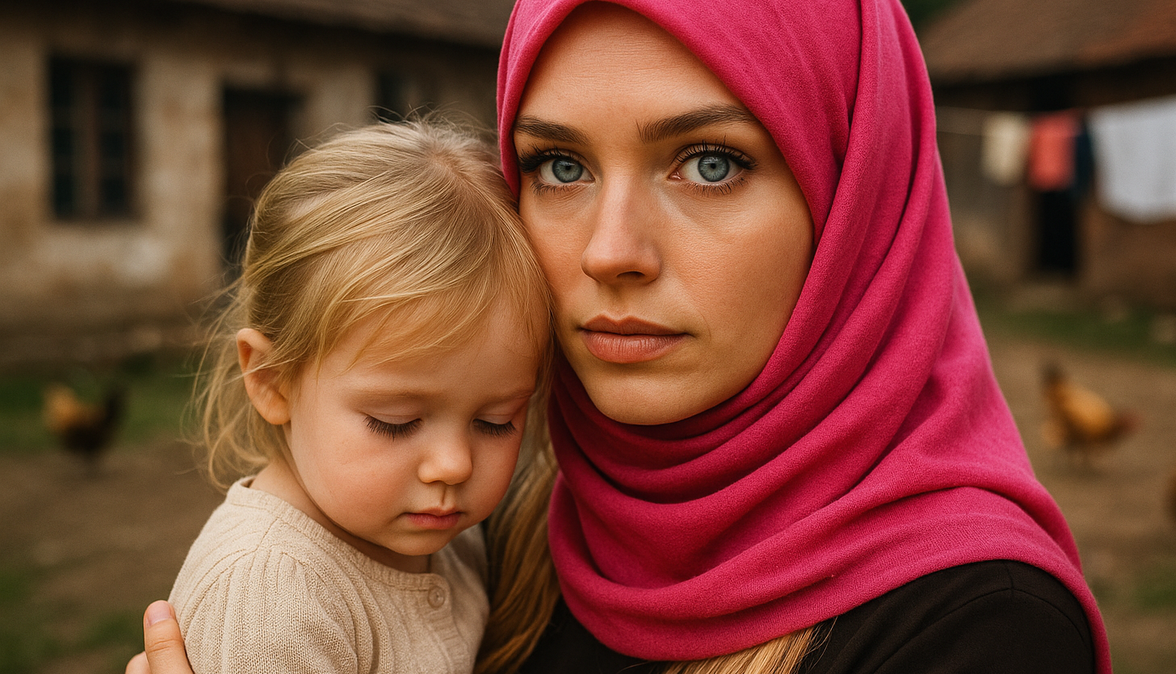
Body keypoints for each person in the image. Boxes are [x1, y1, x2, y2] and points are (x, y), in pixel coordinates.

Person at [130, 1, 1112, 673]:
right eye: (559, 165)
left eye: (712, 161)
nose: (611, 252)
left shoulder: (979, 622)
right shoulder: (516, 521)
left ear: (856, 196)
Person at [160, 121, 550, 674]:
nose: (454, 465)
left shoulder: (448, 540)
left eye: (496, 421)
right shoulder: (267, 600)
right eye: (396, 422)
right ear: (273, 380)